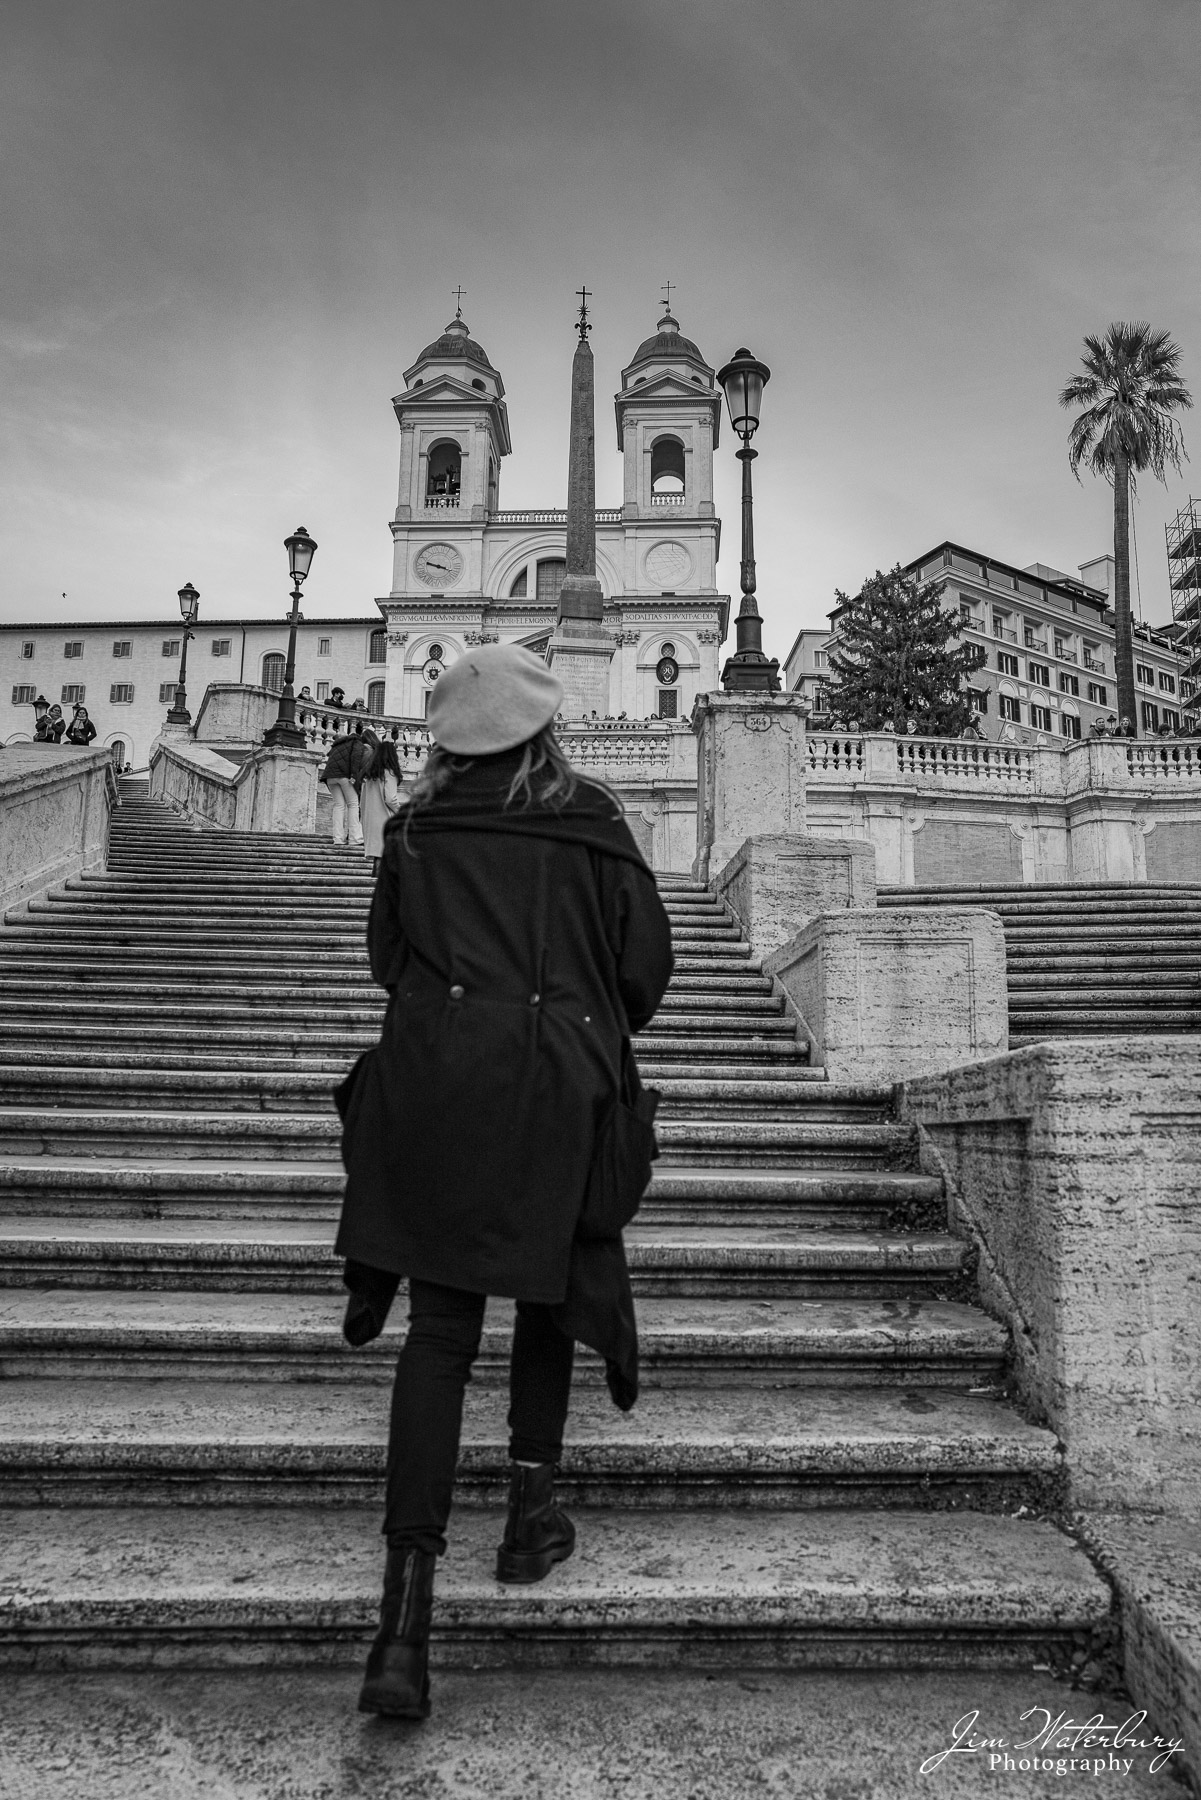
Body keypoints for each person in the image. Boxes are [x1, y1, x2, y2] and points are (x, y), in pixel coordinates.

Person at [334, 644, 673, 1720]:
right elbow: (645, 971)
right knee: (545, 1297)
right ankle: (529, 1522)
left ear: (447, 739)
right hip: (556, 1083)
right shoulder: (593, 821)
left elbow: (387, 963)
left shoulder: (414, 829)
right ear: (543, 726)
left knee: (438, 1335)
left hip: (438, 1084)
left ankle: (402, 1629)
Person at [321, 726, 374, 847]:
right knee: (353, 804)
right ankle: (355, 838)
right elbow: (355, 758)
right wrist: (354, 776)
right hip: (344, 776)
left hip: (330, 776)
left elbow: (329, 757)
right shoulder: (357, 743)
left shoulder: (338, 744)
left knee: (338, 806)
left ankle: (338, 838)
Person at [359, 738, 405, 872]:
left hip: (370, 819)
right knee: (384, 857)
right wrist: (401, 812)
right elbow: (390, 799)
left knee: (378, 857)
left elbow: (362, 800)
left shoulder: (369, 775)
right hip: (384, 819)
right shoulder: (389, 773)